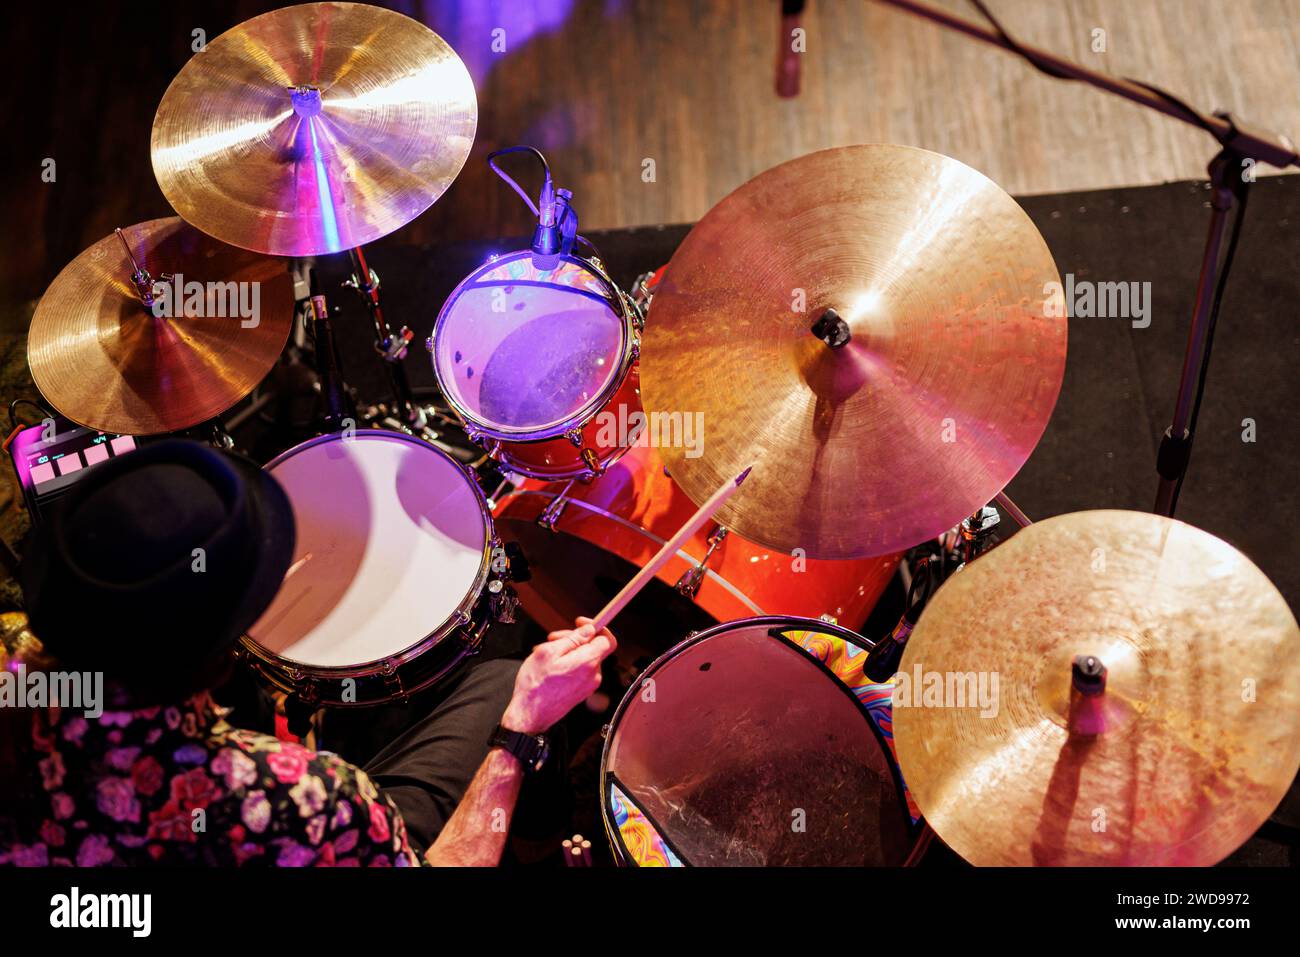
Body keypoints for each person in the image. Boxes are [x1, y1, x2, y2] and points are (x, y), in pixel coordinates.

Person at [0, 440, 615, 866]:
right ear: (227, 653)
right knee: (505, 683)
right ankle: (539, 838)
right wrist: (521, 730)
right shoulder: (298, 800)